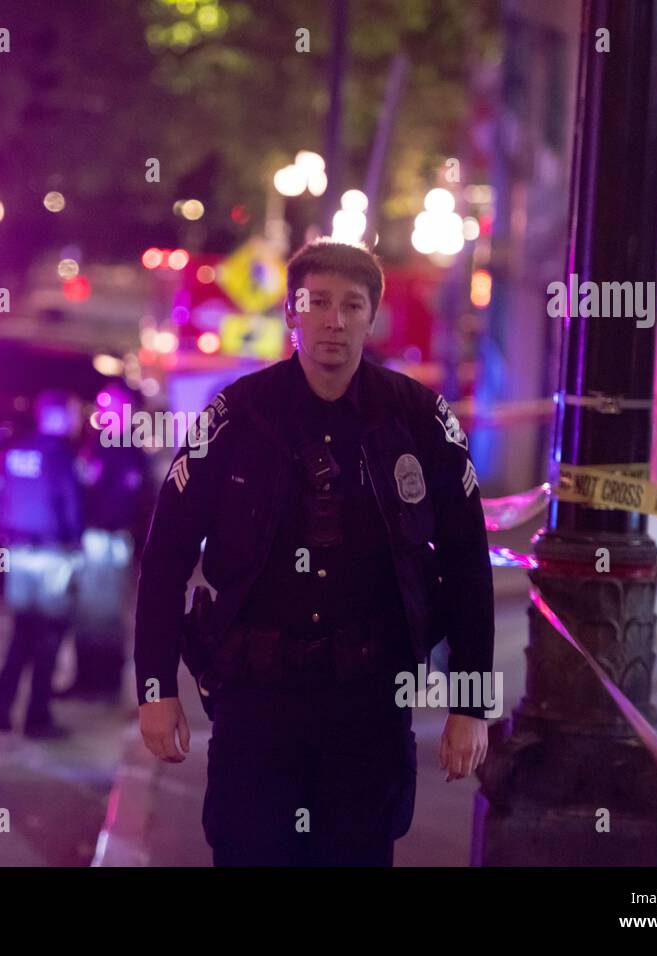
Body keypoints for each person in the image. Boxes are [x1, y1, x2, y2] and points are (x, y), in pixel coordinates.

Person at [134, 238, 495, 866]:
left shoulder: (416, 419)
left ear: (371, 317)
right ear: (291, 315)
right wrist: (155, 686)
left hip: (370, 706)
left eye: (352, 305)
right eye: (317, 303)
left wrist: (470, 701)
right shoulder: (236, 416)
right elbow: (164, 555)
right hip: (256, 702)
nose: (334, 320)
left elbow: (468, 561)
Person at [0, 390, 85, 738]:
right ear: (57, 416)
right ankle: (37, 716)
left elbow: (2, 498)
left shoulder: (17, 450)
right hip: (52, 556)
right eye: (72, 414)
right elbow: (71, 503)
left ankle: (2, 707)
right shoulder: (61, 454)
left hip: (18, 553)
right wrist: (76, 548)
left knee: (20, 633)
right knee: (48, 638)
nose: (76, 422)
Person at [63, 382, 154, 702]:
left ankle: (105, 683)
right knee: (87, 613)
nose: (102, 410)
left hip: (112, 539)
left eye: (110, 404)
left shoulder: (130, 449)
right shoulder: (100, 442)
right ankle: (85, 678)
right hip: (93, 538)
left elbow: (131, 499)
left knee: (107, 615)